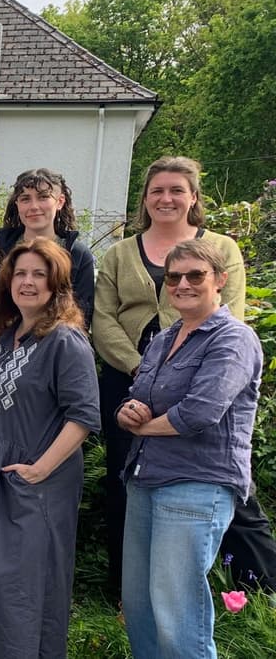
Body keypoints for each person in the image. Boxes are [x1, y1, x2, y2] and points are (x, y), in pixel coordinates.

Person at [93, 155, 276, 596]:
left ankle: (261, 587)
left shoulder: (221, 248)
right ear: (145, 199)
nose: (166, 198)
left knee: (216, 480)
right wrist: (143, 366)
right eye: (157, 190)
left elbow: (229, 313)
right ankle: (127, 590)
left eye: (177, 190)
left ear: (193, 197)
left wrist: (183, 368)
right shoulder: (120, 253)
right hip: (131, 375)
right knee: (127, 478)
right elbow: (103, 318)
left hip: (203, 373)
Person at [0, 238, 99, 658]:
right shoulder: (3, 336)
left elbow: (83, 416)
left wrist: (39, 470)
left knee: (22, 587)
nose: (27, 282)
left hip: (33, 483)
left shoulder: (65, 340)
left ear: (57, 284)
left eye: (38, 274)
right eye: (20, 273)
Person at [117, 239, 262, 657]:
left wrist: (143, 428)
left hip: (196, 484)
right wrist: (127, 411)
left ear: (220, 280)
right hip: (146, 478)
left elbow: (200, 412)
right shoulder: (163, 339)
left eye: (195, 275)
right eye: (173, 277)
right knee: (141, 606)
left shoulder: (234, 339)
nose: (183, 284)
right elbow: (139, 396)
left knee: (177, 611)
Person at [0, 168, 95, 362]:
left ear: (60, 202)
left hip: (49, 360)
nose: (34, 206)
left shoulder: (78, 256)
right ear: (17, 204)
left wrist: (38, 362)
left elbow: (81, 317)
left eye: (43, 197)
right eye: (25, 199)